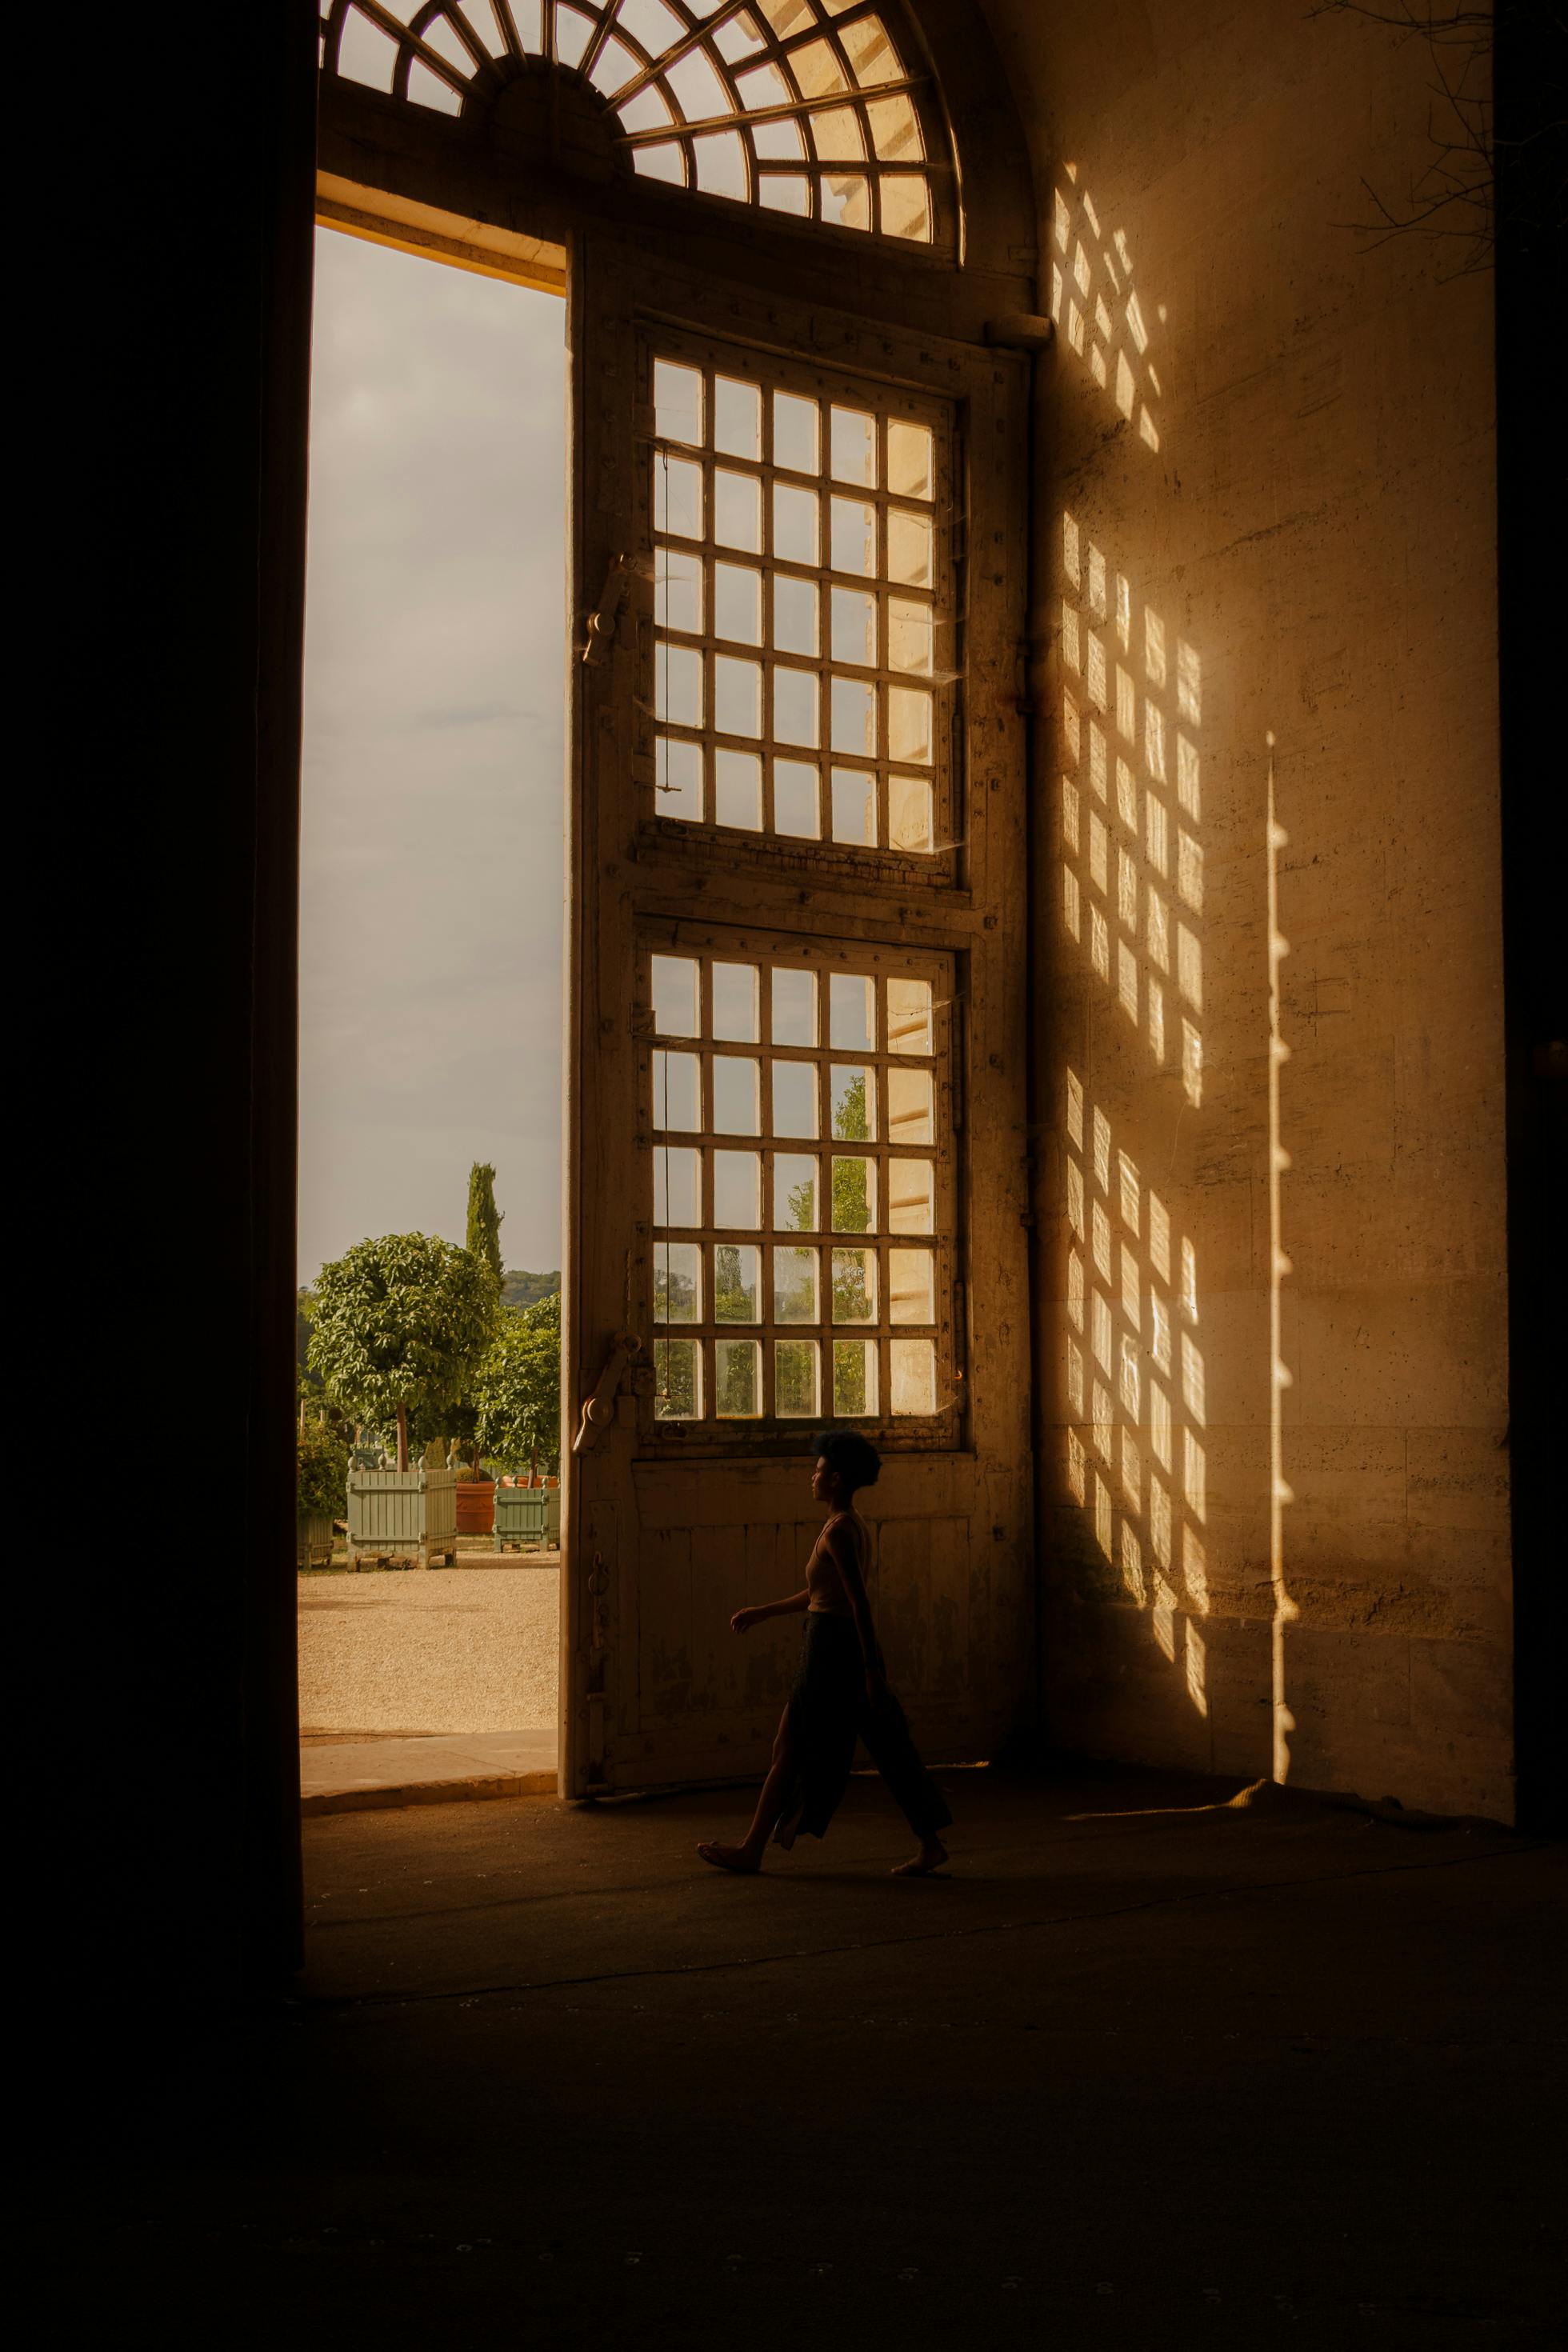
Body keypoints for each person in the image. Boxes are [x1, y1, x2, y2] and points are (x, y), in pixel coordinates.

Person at [697, 1431, 952, 1878]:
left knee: (788, 1745)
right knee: (889, 1747)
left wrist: (872, 1671)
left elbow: (858, 1603)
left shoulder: (839, 1533)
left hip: (831, 1651)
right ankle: (930, 1844)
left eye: (817, 1472)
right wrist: (763, 1612)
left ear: (835, 1479)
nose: (810, 1478)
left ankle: (751, 1849)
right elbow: (822, 1593)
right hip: (841, 1645)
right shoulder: (848, 1523)